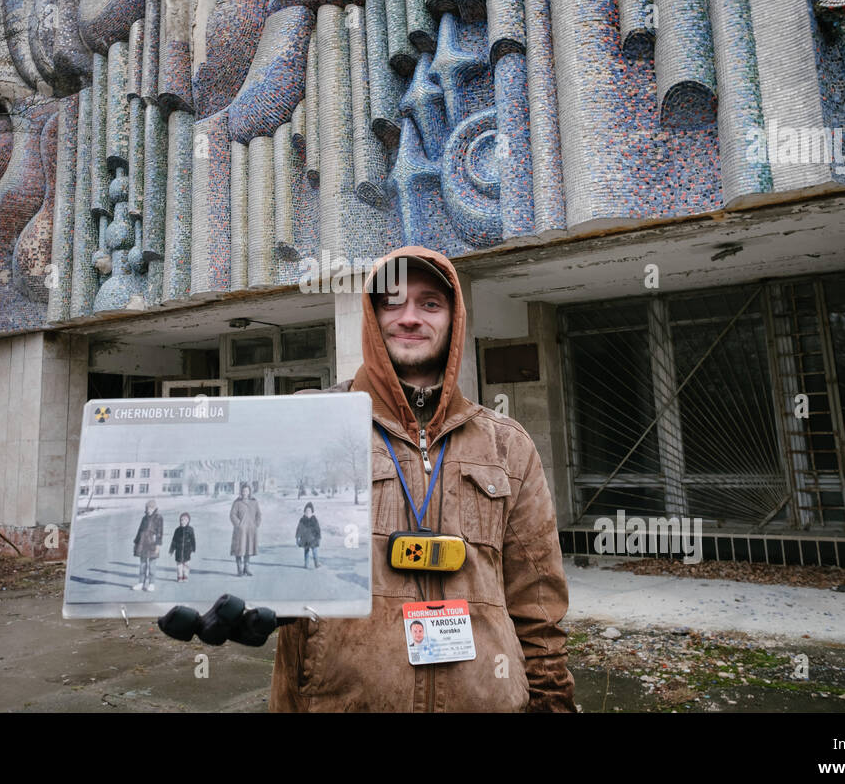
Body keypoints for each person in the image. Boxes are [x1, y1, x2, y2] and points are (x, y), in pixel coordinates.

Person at [160, 246, 576, 713]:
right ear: (370, 318)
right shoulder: (309, 422)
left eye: (430, 304)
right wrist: (230, 594)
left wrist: (553, 704)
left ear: (455, 319)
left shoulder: (506, 445)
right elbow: (267, 548)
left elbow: (537, 608)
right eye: (392, 303)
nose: (410, 317)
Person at [230, 484, 261, 576]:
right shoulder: (237, 502)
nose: (245, 493)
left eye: (247, 491)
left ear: (249, 492)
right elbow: (232, 515)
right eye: (243, 491)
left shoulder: (254, 502)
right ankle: (239, 570)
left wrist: (256, 524)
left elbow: (259, 514)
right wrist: (238, 524)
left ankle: (246, 569)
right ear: (241, 491)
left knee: (248, 549)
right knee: (239, 550)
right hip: (240, 531)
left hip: (250, 531)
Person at [132, 500, 163, 592]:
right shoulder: (144, 518)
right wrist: (136, 543)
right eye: (147, 508)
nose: (148, 510)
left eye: (150, 508)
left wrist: (158, 545)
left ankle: (151, 584)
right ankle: (141, 583)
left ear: (154, 508)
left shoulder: (159, 518)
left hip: (152, 544)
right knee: (142, 565)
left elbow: (160, 533)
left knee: (152, 565)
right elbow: (139, 531)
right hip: (142, 543)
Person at [170, 512, 196, 582]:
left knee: (186, 564)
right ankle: (180, 576)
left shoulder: (190, 529)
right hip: (178, 550)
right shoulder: (177, 530)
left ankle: (185, 576)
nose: (183, 521)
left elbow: (193, 539)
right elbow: (174, 540)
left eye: (185, 520)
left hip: (187, 550)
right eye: (181, 520)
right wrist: (171, 550)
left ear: (188, 521)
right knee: (179, 565)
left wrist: (193, 548)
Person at [295, 502, 321, 569]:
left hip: (309, 539)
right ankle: (312, 564)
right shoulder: (307, 519)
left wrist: (297, 537)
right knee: (311, 551)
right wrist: (297, 537)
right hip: (309, 539)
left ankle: (311, 563)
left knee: (310, 551)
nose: (308, 512)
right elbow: (299, 528)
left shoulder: (310, 520)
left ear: (312, 511)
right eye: (307, 511)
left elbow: (317, 529)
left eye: (309, 511)